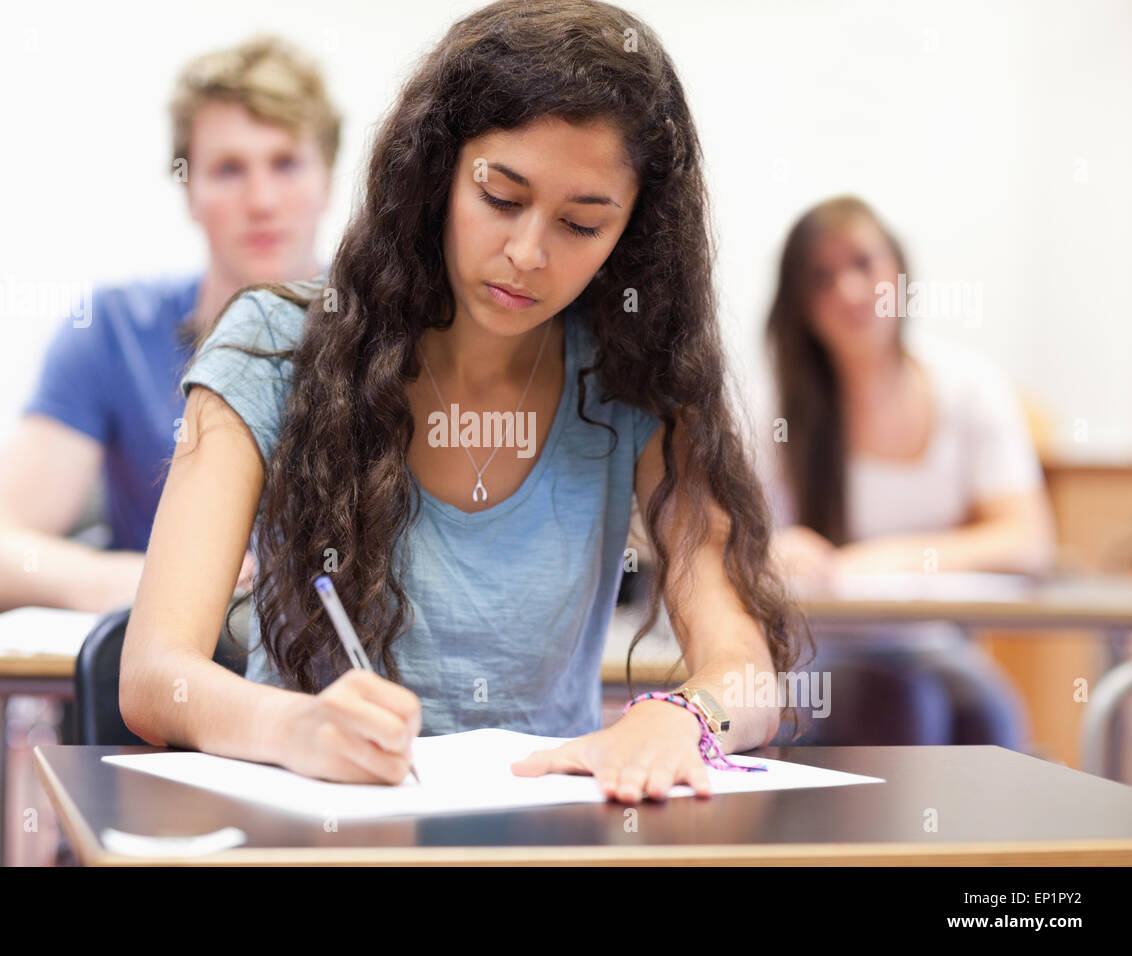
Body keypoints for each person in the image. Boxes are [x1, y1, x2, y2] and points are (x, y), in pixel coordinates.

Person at [120, 0, 809, 805]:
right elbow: (153, 678)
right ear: (435, 170)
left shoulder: (637, 375)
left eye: (582, 224)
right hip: (321, 837)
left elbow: (747, 673)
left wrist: (684, 718)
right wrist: (294, 728)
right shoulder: (274, 343)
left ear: (633, 235)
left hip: (548, 839)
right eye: (501, 197)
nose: (526, 254)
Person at [0, 35, 338, 615]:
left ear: (327, 179)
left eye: (285, 163)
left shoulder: (387, 330)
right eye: (228, 169)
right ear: (189, 190)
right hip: (155, 690)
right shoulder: (114, 332)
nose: (261, 200)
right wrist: (173, 580)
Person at [753, 195, 1056, 748]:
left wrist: (873, 560)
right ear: (799, 302)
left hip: (934, 643)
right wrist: (780, 551)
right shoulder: (772, 411)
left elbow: (1028, 541)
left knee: (991, 718)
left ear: (899, 272)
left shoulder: (969, 388)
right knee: (899, 704)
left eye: (863, 265)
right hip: (818, 653)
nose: (847, 291)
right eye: (821, 277)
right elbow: (747, 550)